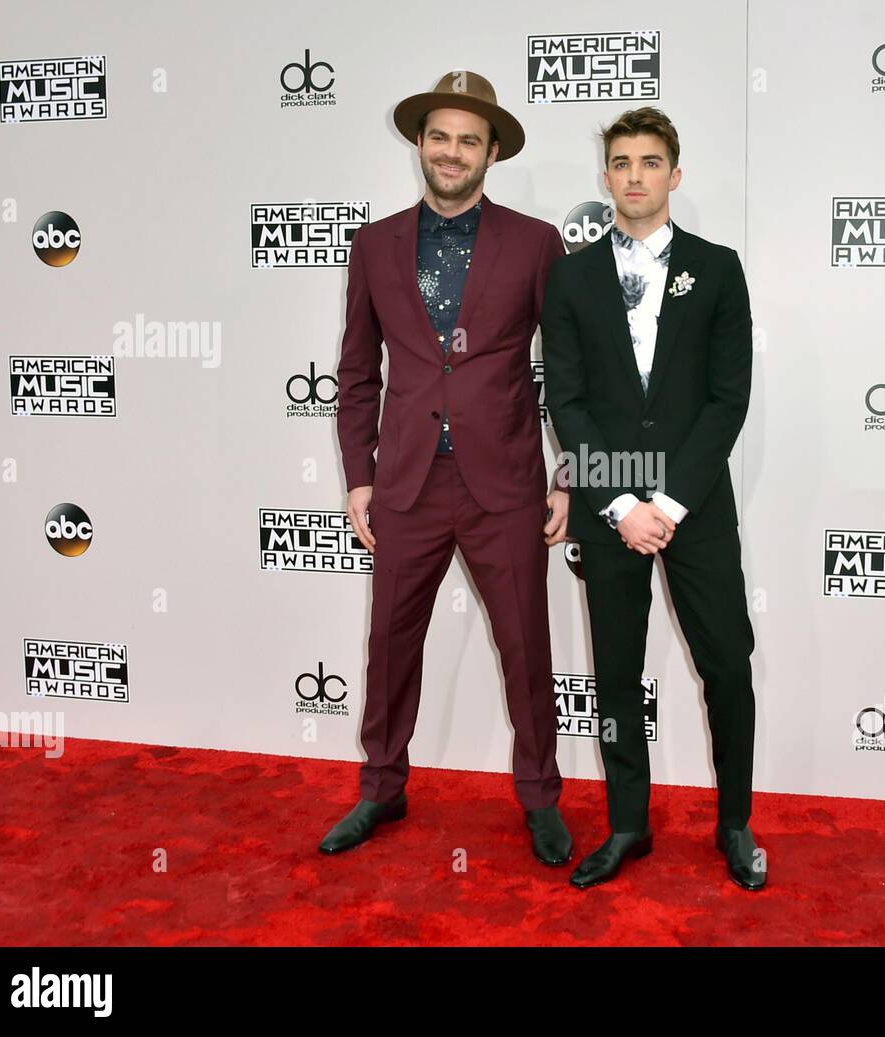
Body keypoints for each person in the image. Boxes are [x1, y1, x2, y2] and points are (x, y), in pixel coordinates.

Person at [322, 70, 573, 866]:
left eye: (469, 139)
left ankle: (540, 797)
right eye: (439, 136)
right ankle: (381, 788)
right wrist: (358, 476)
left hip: (503, 482)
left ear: (492, 151)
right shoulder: (375, 243)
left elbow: (567, 373)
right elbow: (358, 371)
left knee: (526, 647)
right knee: (389, 644)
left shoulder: (536, 243)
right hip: (405, 482)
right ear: (419, 145)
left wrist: (571, 473)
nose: (452, 151)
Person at [541, 107, 765, 890]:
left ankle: (734, 821)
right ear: (604, 178)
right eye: (621, 162)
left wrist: (666, 505)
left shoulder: (720, 267)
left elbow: (726, 399)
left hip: (695, 504)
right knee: (614, 675)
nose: (634, 175)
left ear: (675, 173)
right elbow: (565, 402)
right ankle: (627, 824)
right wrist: (617, 504)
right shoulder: (567, 278)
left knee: (728, 663)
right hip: (608, 509)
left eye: (649, 161)